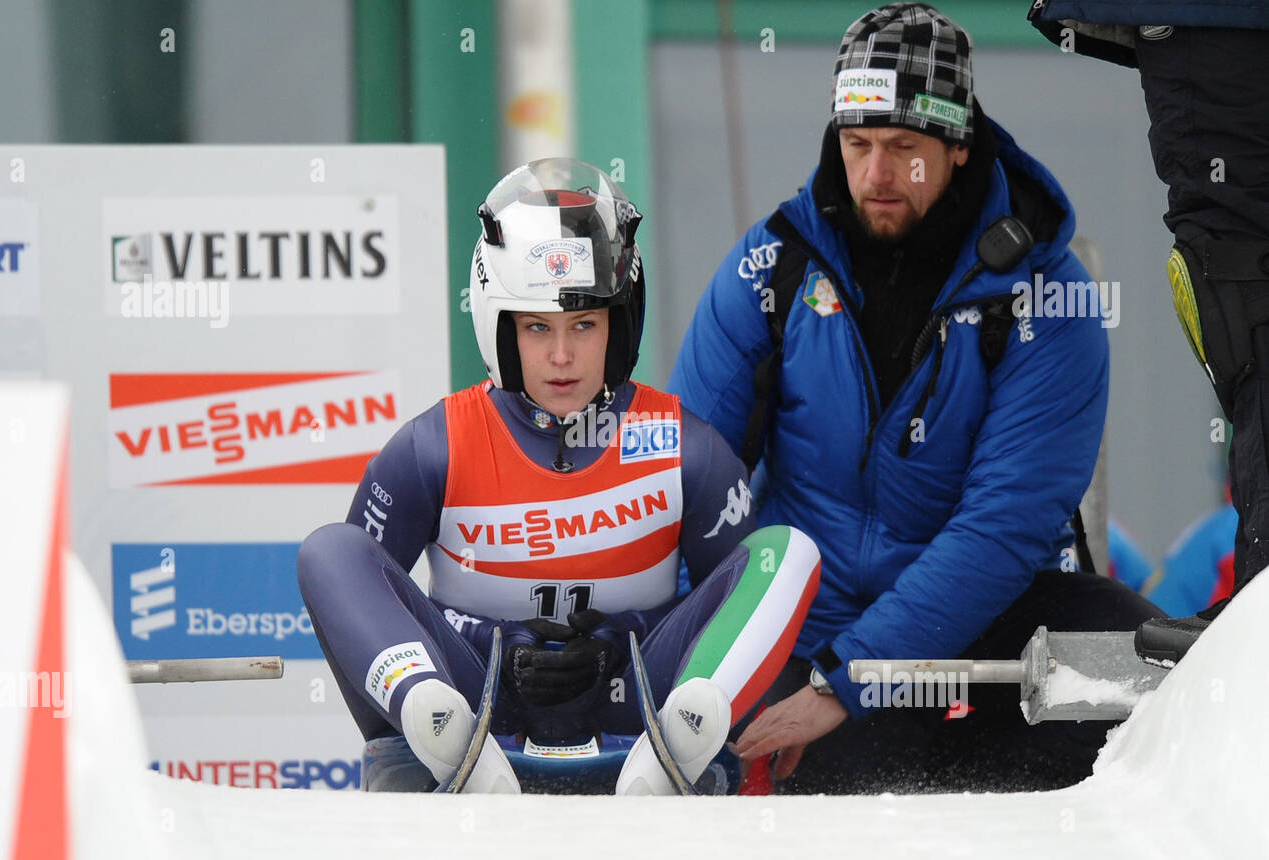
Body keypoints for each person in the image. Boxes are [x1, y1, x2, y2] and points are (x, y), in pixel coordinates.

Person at [668, 2, 1162, 794]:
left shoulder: (1048, 294)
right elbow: (688, 486)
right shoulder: (771, 270)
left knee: (1140, 660)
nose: (876, 174)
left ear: (959, 144)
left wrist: (846, 683)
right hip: (809, 618)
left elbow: (1002, 529)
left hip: (989, 621)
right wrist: (673, 659)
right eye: (857, 145)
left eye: (904, 148)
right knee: (816, 798)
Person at [296, 159, 819, 795]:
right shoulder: (434, 445)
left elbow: (733, 605)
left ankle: (678, 750)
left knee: (786, 552)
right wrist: (497, 646)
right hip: (479, 706)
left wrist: (622, 642)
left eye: (585, 325)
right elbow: (359, 594)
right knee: (330, 548)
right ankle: (448, 746)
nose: (563, 356)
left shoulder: (684, 445)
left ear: (619, 323)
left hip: (639, 711)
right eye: (538, 326)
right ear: (499, 326)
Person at [1028, 4, 1269, 643]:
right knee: (1230, 275)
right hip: (1201, 28)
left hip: (1214, 30)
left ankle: (1261, 606)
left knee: (1234, 269)